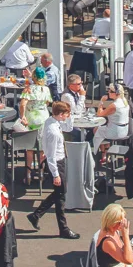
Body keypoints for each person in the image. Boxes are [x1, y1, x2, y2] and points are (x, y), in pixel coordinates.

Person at [27, 101, 79, 239]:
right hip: (57, 163)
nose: (68, 116)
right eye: (67, 114)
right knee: (60, 195)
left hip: (60, 160)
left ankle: (36, 215)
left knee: (59, 193)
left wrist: (70, 116)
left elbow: (68, 128)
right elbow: (50, 156)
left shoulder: (52, 121)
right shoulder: (53, 132)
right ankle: (63, 228)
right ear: (61, 114)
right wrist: (55, 175)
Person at [91, 84, 130, 154]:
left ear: (116, 93)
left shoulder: (114, 105)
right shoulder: (124, 101)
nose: (108, 92)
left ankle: (103, 152)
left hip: (116, 132)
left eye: (110, 91)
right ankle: (106, 151)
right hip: (125, 130)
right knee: (104, 128)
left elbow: (99, 114)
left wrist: (101, 101)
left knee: (96, 129)